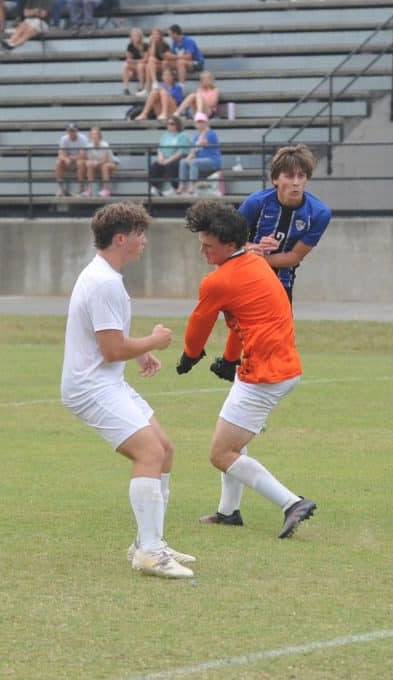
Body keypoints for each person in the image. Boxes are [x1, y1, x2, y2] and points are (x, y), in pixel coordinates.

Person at [60, 202, 195, 579]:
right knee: (149, 451)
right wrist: (153, 342)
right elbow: (112, 349)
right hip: (90, 387)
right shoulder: (103, 282)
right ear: (121, 239)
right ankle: (150, 553)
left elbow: (111, 340)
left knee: (164, 449)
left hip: (107, 380)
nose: (144, 242)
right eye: (139, 234)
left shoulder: (106, 277)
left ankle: (148, 541)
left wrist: (139, 356)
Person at [176, 200, 316, 539]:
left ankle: (291, 503)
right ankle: (229, 512)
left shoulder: (219, 281)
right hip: (276, 365)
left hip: (265, 374)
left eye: (208, 244)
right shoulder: (253, 263)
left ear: (229, 243)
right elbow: (243, 321)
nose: (202, 250)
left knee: (221, 453)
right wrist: (228, 359)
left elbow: (200, 322)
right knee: (232, 439)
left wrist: (190, 355)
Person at [238, 143, 331, 304]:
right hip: (247, 276)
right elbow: (229, 242)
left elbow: (294, 256)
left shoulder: (319, 213)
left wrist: (262, 258)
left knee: (280, 329)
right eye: (289, 176)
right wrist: (252, 248)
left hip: (282, 282)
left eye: (301, 176)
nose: (296, 182)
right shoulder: (255, 203)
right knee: (245, 328)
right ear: (275, 179)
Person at [177, 112, 220, 196]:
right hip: (200, 160)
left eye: (202, 121)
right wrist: (188, 158)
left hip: (212, 160)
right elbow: (193, 150)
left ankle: (192, 186)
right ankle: (181, 185)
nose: (200, 123)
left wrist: (191, 156)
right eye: (198, 121)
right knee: (183, 162)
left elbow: (202, 143)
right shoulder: (196, 136)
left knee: (194, 162)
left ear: (206, 122)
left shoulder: (211, 133)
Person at [148, 114, 189, 196]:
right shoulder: (165, 136)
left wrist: (168, 160)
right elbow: (160, 149)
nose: (169, 126)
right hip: (165, 158)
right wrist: (160, 157)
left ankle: (175, 188)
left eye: (172, 124)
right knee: (154, 167)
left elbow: (181, 152)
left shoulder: (183, 136)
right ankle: (153, 188)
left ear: (177, 125)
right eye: (168, 124)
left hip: (176, 159)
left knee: (172, 166)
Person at [81, 126, 119, 198]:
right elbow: (90, 159)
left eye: (95, 134)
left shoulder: (105, 145)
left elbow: (105, 160)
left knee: (104, 166)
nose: (94, 136)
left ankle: (106, 190)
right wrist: (91, 163)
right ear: (90, 136)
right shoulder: (89, 146)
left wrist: (95, 163)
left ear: (99, 136)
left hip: (111, 163)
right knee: (89, 164)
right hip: (98, 164)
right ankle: (89, 189)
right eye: (92, 134)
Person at [54, 121, 89, 197]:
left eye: (73, 130)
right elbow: (61, 153)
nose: (71, 133)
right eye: (70, 130)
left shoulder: (83, 138)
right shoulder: (64, 139)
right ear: (67, 131)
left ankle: (81, 189)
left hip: (80, 161)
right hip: (69, 162)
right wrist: (66, 158)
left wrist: (70, 157)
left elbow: (83, 154)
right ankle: (61, 189)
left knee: (80, 162)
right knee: (58, 162)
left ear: (77, 131)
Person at [120, 27, 147, 95]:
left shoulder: (145, 45)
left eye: (137, 36)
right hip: (135, 66)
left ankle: (141, 87)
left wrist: (135, 61)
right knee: (126, 65)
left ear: (140, 37)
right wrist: (137, 61)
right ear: (131, 37)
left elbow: (145, 59)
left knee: (140, 66)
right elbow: (128, 59)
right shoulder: (130, 46)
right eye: (134, 36)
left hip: (143, 66)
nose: (136, 37)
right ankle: (126, 88)